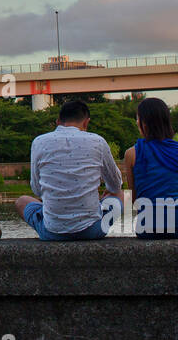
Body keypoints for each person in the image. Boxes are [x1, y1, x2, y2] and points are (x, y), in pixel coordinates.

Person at [15, 100, 123, 240]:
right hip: (92, 230)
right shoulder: (98, 141)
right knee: (120, 194)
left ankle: (56, 220)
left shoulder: (39, 142)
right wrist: (106, 191)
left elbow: (37, 190)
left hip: (52, 232)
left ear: (58, 121)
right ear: (86, 122)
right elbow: (116, 185)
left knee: (21, 201)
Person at [123, 97, 178, 238]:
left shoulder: (132, 154)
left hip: (147, 230)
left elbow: (134, 198)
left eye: (138, 118)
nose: (137, 122)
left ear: (144, 123)